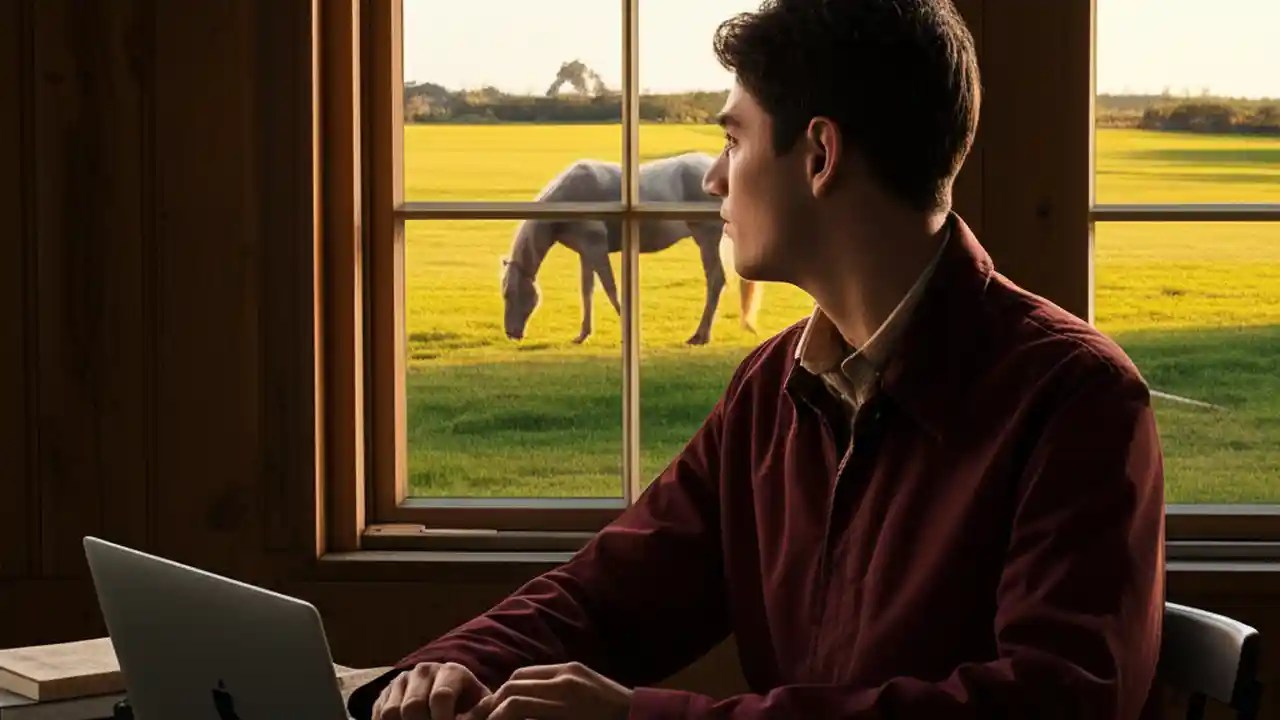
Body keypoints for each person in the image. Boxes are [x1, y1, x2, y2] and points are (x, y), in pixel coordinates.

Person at [349, 0, 1166, 718]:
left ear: (819, 155)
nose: (710, 177)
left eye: (733, 139)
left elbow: (1048, 703)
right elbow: (612, 591)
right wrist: (437, 672)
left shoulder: (1076, 401)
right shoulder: (771, 389)